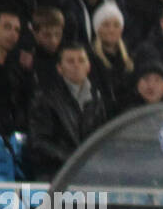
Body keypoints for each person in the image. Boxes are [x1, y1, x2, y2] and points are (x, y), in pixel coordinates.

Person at [25, 41, 107, 178]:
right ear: (59, 68)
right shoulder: (45, 98)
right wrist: (71, 159)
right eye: (70, 61)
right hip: (55, 174)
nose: (76, 65)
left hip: (89, 174)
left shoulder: (96, 98)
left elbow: (102, 137)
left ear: (88, 67)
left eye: (81, 60)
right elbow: (38, 141)